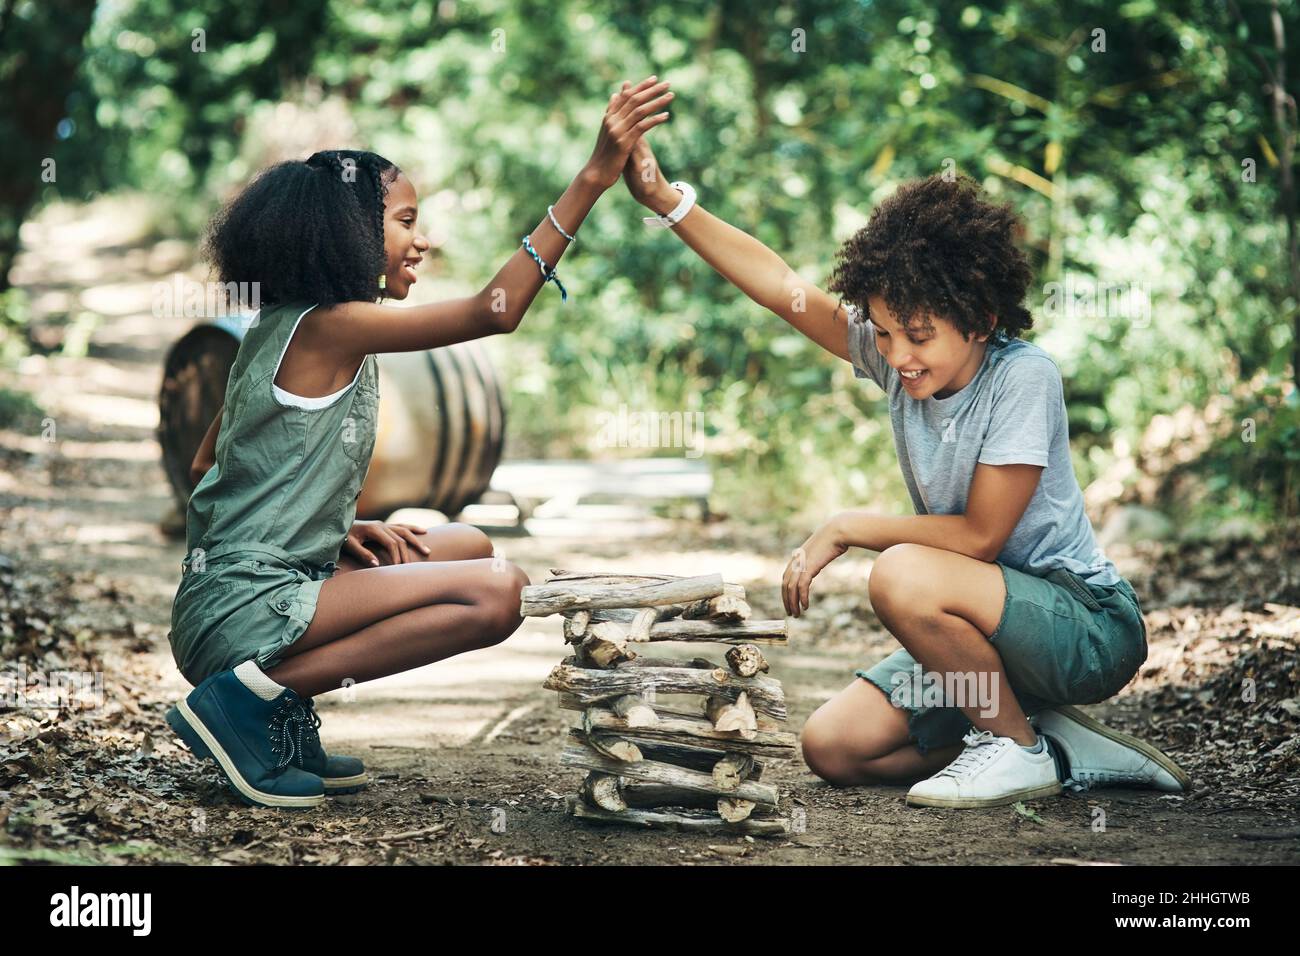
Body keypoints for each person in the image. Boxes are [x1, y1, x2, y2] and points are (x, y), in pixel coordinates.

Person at [621, 137, 1189, 809]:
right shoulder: (897, 359)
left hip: (1082, 628)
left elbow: (980, 538)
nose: (898, 355)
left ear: (979, 320)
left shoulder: (1022, 378)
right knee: (836, 747)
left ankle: (1016, 749)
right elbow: (782, 290)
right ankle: (1051, 744)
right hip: (987, 643)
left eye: (919, 336)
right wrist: (666, 199)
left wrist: (847, 528)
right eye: (884, 333)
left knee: (899, 571)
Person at [166, 76, 674, 809]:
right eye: (407, 221)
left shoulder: (281, 327)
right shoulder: (333, 324)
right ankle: (253, 697)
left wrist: (329, 533)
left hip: (240, 590)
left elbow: (208, 461)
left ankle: (270, 705)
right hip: (244, 608)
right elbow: (494, 312)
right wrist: (593, 177)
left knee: (463, 544)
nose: (423, 240)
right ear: (350, 234)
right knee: (500, 592)